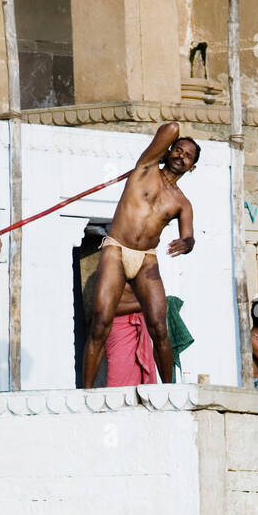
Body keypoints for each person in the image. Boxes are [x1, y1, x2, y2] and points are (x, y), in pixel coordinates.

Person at [82, 121, 199, 388]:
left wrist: (187, 243)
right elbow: (171, 128)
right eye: (178, 150)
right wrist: (177, 133)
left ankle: (168, 392)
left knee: (159, 327)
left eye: (188, 156)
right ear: (168, 151)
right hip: (117, 248)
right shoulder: (145, 168)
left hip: (146, 257)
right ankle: (86, 394)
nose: (181, 156)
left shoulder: (182, 202)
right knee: (101, 323)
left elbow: (189, 235)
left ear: (192, 167)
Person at [103, 283, 156, 387]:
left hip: (139, 326)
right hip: (119, 331)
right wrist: (144, 305)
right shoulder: (109, 272)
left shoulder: (142, 272)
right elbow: (106, 307)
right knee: (118, 382)